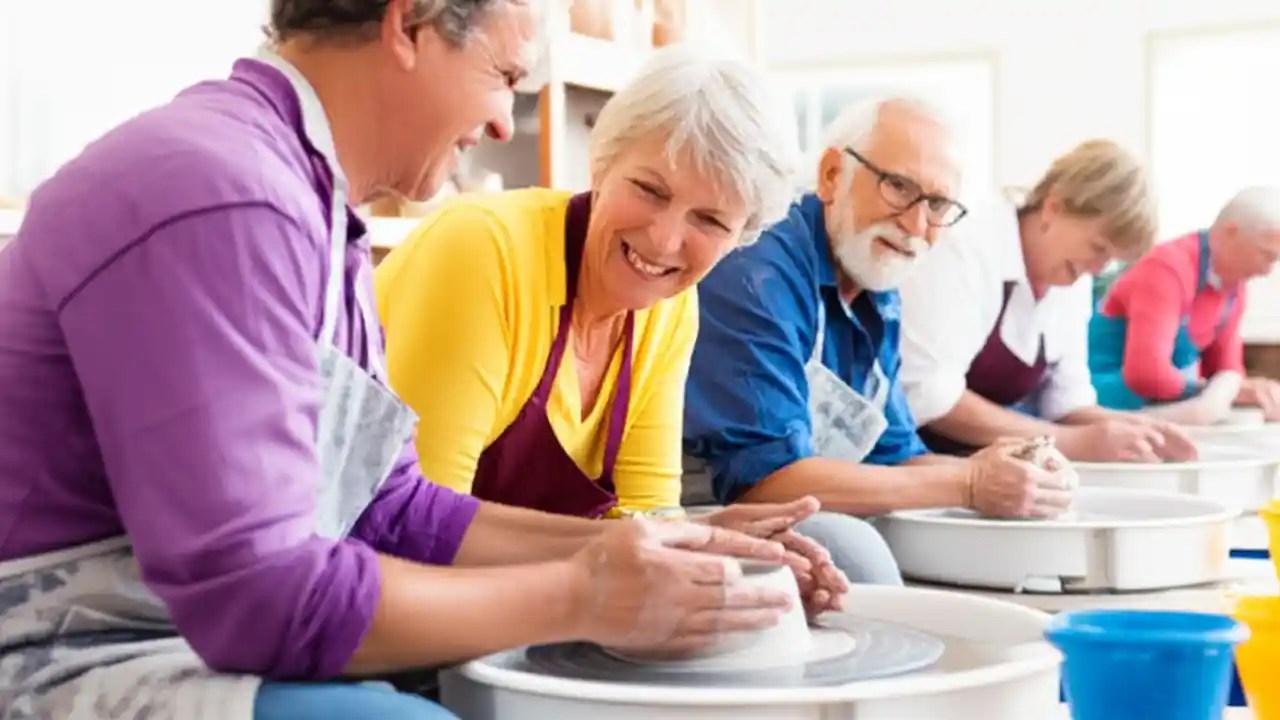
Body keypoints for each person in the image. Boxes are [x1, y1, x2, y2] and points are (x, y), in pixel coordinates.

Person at [0, 3, 844, 719]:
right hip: (67, 644)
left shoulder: (312, 204)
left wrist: (659, 541)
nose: (500, 125)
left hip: (174, 621)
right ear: (409, 22)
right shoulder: (224, 189)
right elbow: (253, 596)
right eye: (504, 77)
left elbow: (391, 509)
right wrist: (585, 593)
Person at [374, 45, 798, 520]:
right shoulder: (482, 251)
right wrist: (623, 554)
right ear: (601, 165)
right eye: (649, 190)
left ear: (741, 238)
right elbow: (415, 525)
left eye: (710, 220)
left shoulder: (671, 309)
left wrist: (710, 548)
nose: (664, 239)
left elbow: (647, 514)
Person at [681, 96, 1075, 586]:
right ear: (830, 175)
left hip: (789, 493)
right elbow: (764, 481)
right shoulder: (757, 269)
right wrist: (967, 481)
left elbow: (895, 454)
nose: (915, 225)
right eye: (898, 187)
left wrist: (1008, 469)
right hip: (701, 510)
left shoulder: (874, 283)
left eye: (937, 205)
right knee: (856, 553)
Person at [897, 139, 1197, 463]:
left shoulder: (1071, 277)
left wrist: (1137, 431)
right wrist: (1072, 442)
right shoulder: (966, 243)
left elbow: (1066, 401)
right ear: (1054, 208)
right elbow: (928, 395)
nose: (1098, 270)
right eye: (1098, 248)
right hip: (910, 462)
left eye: (1112, 260)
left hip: (983, 467)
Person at [1089, 186, 1280, 424]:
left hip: (1161, 408)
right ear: (1231, 232)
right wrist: (1221, 391)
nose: (1267, 270)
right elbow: (1146, 375)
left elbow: (1227, 370)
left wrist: (1245, 389)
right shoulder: (1167, 268)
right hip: (1102, 405)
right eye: (1267, 255)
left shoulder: (1233, 288)